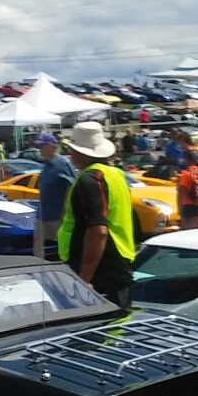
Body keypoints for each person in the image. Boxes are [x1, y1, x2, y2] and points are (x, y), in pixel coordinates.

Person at [59, 122, 135, 306]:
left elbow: (98, 231)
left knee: (98, 332)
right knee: (116, 330)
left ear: (81, 152)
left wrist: (84, 280)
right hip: (118, 268)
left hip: (101, 276)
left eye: (72, 149)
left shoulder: (90, 180)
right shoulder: (115, 174)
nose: (70, 155)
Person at [33, 132, 76, 260]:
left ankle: (66, 265)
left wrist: (64, 212)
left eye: (42, 146)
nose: (39, 149)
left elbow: (70, 186)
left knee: (62, 242)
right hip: (42, 213)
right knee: (38, 239)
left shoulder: (62, 164)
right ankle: (38, 265)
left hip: (56, 215)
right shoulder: (46, 165)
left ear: (51, 146)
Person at [174, 147, 198, 229]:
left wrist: (179, 207)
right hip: (197, 202)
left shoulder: (186, 174)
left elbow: (182, 192)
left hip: (187, 204)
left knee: (187, 225)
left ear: (187, 160)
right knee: (197, 221)